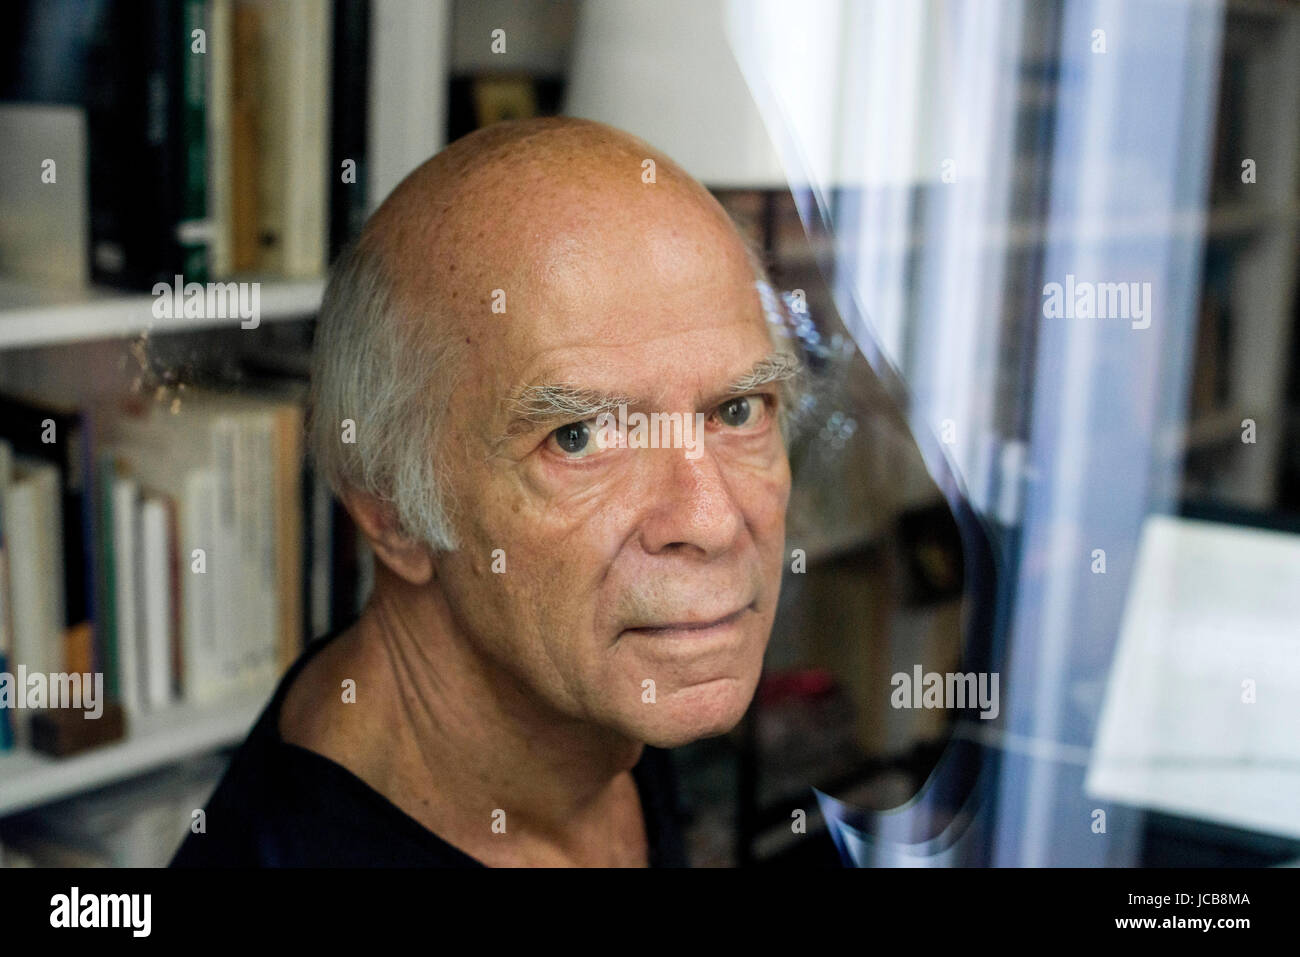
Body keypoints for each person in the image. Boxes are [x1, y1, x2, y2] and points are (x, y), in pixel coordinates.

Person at [172, 116, 799, 867]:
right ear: (390, 508)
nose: (712, 520)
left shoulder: (591, 686)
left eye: (737, 411)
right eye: (580, 436)